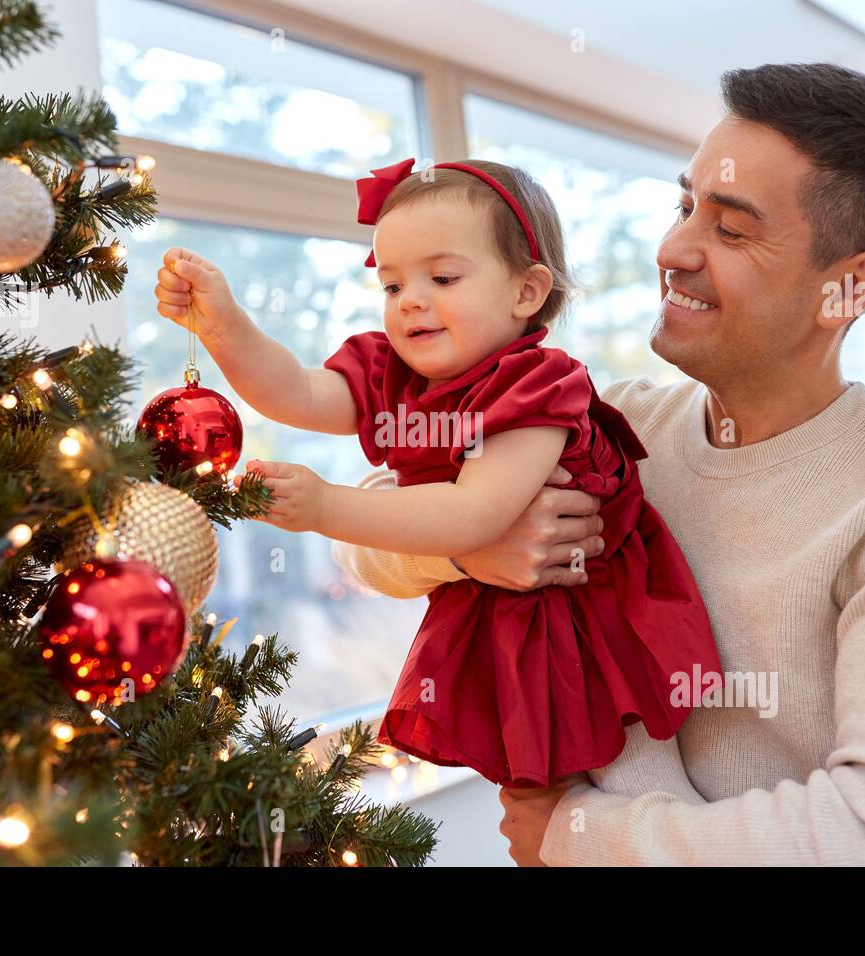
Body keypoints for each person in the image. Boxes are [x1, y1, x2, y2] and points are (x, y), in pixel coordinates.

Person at [332, 63, 865, 866]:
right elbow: (363, 527)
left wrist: (577, 834)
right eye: (684, 205)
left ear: (848, 288)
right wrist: (467, 545)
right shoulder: (609, 424)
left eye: (730, 229)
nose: (672, 248)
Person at [153, 158, 721, 789]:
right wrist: (224, 327)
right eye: (393, 287)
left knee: (631, 783)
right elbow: (295, 393)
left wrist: (325, 507)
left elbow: (471, 515)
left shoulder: (538, 388)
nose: (411, 301)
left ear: (527, 292)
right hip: (504, 624)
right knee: (539, 802)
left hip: (594, 632)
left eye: (443, 277)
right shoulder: (398, 375)